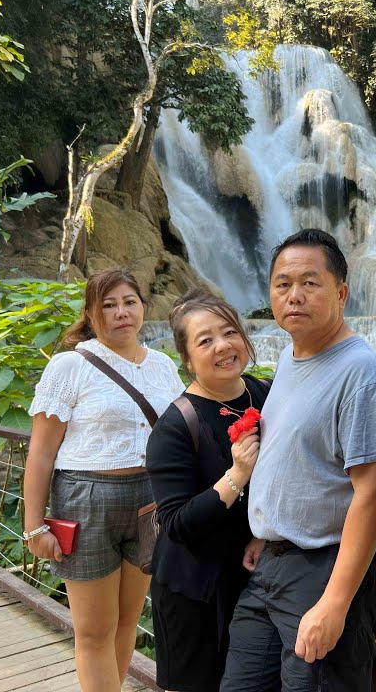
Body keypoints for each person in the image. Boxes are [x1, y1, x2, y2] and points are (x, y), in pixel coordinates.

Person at [219, 229, 376, 692]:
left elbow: (372, 494)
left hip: (324, 572)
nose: (294, 295)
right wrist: (267, 527)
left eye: (310, 283)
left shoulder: (362, 375)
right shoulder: (290, 358)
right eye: (282, 284)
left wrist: (335, 603)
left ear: (341, 292)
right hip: (271, 566)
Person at [22, 267, 185, 692]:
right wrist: (34, 526)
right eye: (108, 305)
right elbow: (40, 453)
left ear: (143, 307)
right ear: (91, 315)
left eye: (129, 301)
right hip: (86, 498)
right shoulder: (69, 366)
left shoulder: (164, 367)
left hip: (150, 499)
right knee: (94, 632)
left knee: (127, 620)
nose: (121, 312)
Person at [145, 289, 273, 692]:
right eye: (205, 340)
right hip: (195, 589)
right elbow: (177, 524)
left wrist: (262, 534)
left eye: (229, 332)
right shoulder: (176, 426)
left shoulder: (265, 394)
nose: (223, 346)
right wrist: (237, 474)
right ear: (186, 360)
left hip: (256, 577)